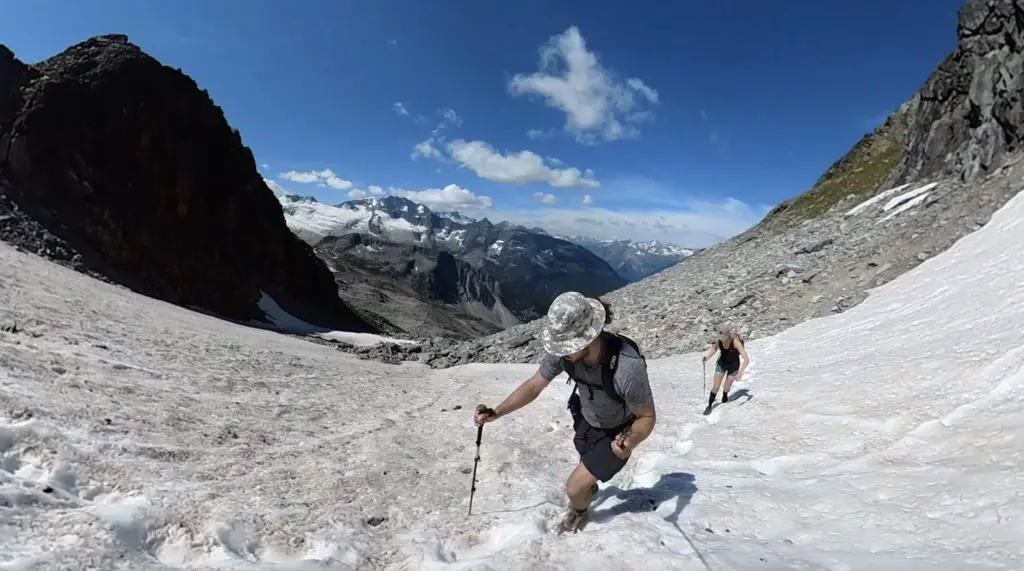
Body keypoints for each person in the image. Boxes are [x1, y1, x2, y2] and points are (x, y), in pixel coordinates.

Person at [473, 291, 657, 534]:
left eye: (568, 347)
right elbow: (535, 385)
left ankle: (579, 510)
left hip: (618, 432)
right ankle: (589, 488)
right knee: (584, 463)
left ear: (588, 339)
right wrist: (498, 411)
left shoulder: (626, 367)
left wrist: (630, 440)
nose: (561, 352)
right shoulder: (565, 353)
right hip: (587, 420)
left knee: (573, 488)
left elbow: (646, 416)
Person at [700, 325, 749, 414]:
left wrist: (740, 373)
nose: (719, 338)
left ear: (726, 336)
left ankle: (725, 395)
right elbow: (714, 348)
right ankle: (710, 405)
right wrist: (707, 358)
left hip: (733, 366)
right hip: (722, 363)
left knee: (727, 387)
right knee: (716, 386)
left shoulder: (735, 342)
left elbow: (746, 359)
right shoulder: (720, 341)